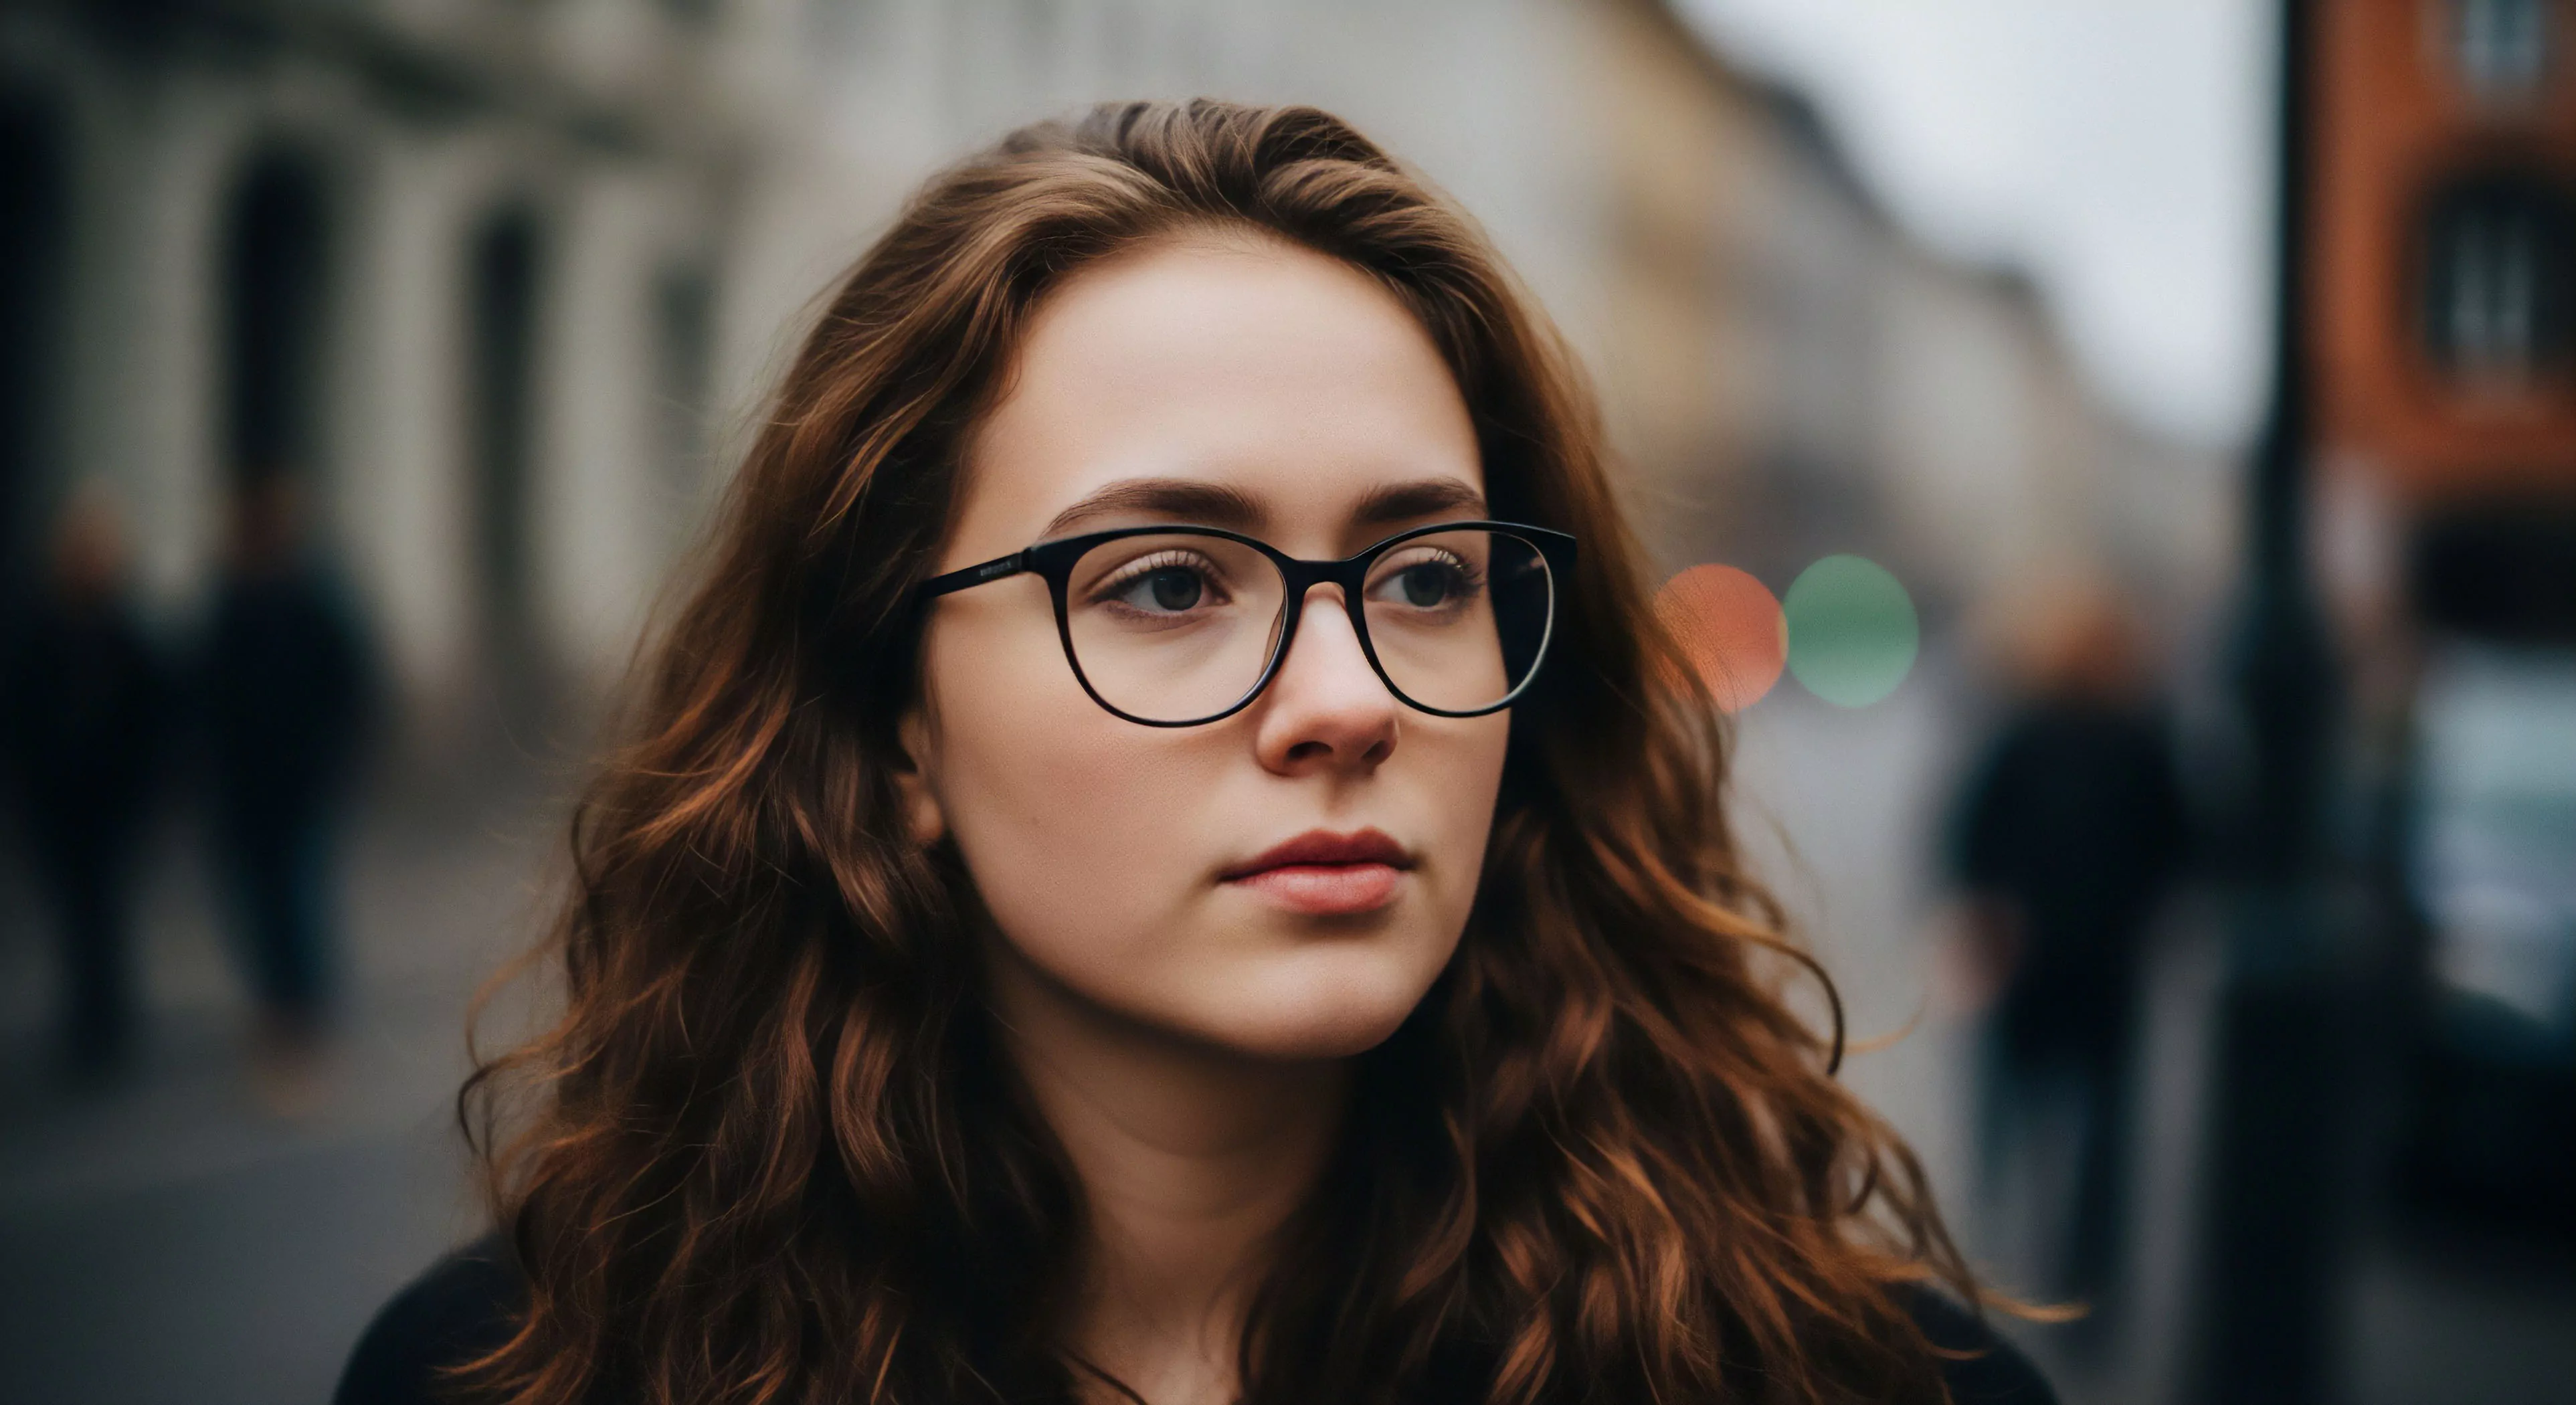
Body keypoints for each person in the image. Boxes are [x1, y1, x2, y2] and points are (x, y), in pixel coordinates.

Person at [340, 102, 2052, 1405]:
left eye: (1426, 577)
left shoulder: (1860, 1379)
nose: (1349, 699)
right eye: (1166, 581)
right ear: (896, 724)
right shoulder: (523, 1374)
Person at [1949, 581, 2189, 1310]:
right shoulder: (2133, 737)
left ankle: (2032, 1243)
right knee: (2094, 1122)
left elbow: (1970, 840)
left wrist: (1990, 905)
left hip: (2047, 955)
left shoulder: (2042, 734)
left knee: (2038, 1106)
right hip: (2088, 958)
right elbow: (2179, 847)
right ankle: (2075, 1262)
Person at [199, 473, 375, 1106]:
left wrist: (332, 758)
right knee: (256, 904)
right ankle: (278, 1012)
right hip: (245, 790)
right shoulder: (229, 601)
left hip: (297, 786)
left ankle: (303, 1020)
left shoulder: (312, 600)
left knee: (297, 902)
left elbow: (349, 684)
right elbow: (206, 693)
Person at [1, 488, 170, 1079]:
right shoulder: (44, 631)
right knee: (77, 913)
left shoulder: (127, 631)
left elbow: (154, 718)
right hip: (60, 803)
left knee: (103, 911)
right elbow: (22, 715)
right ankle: (88, 1019)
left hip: (110, 803)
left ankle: (107, 1021)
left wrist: (142, 788)